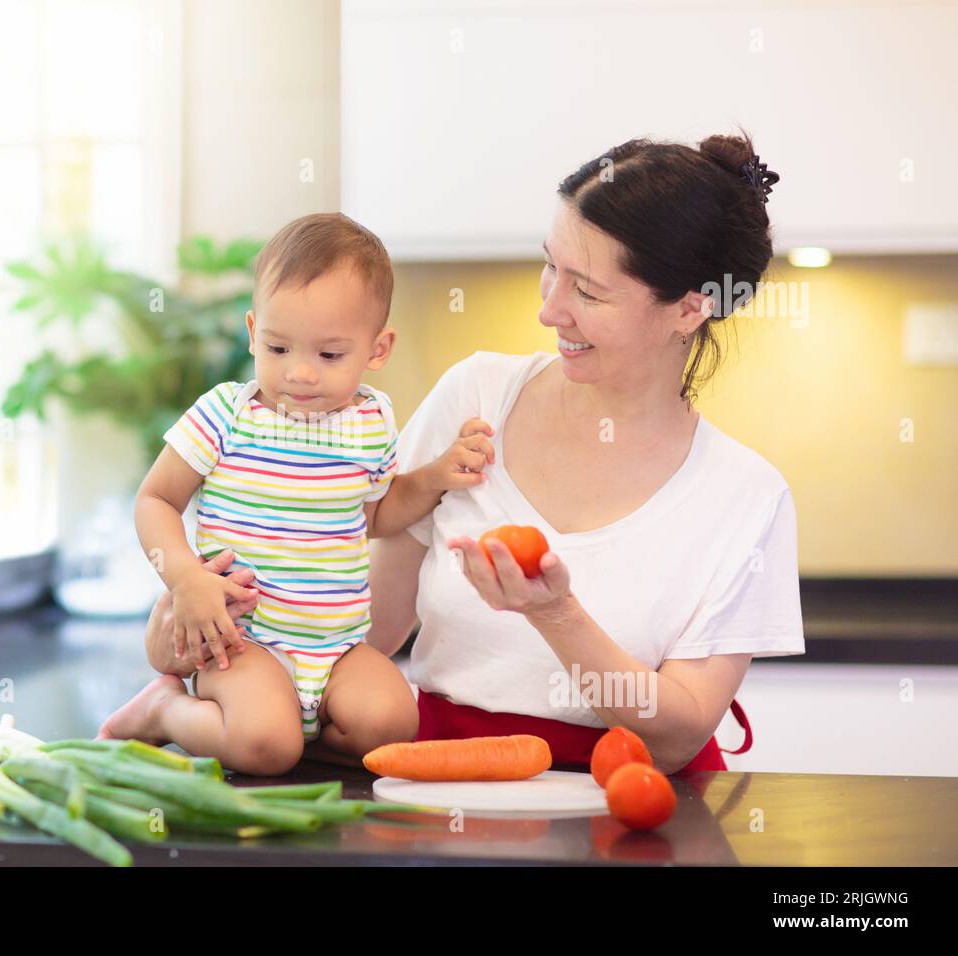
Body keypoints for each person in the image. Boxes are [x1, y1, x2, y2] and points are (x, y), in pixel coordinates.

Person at [139, 132, 804, 775]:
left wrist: (554, 613)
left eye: (587, 291)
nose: (549, 310)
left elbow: (680, 733)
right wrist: (197, 642)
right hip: (428, 771)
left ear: (690, 309)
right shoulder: (476, 397)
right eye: (551, 266)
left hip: (632, 804)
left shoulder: (745, 496)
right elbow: (358, 620)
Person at [99, 212, 492, 774]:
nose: (300, 374)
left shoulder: (372, 421)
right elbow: (155, 500)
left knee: (393, 723)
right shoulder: (226, 414)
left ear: (377, 349)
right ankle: (166, 709)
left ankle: (302, 732)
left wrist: (431, 478)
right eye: (279, 348)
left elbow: (376, 517)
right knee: (265, 746)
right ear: (254, 330)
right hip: (244, 639)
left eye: (329, 355)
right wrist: (185, 578)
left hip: (338, 648)